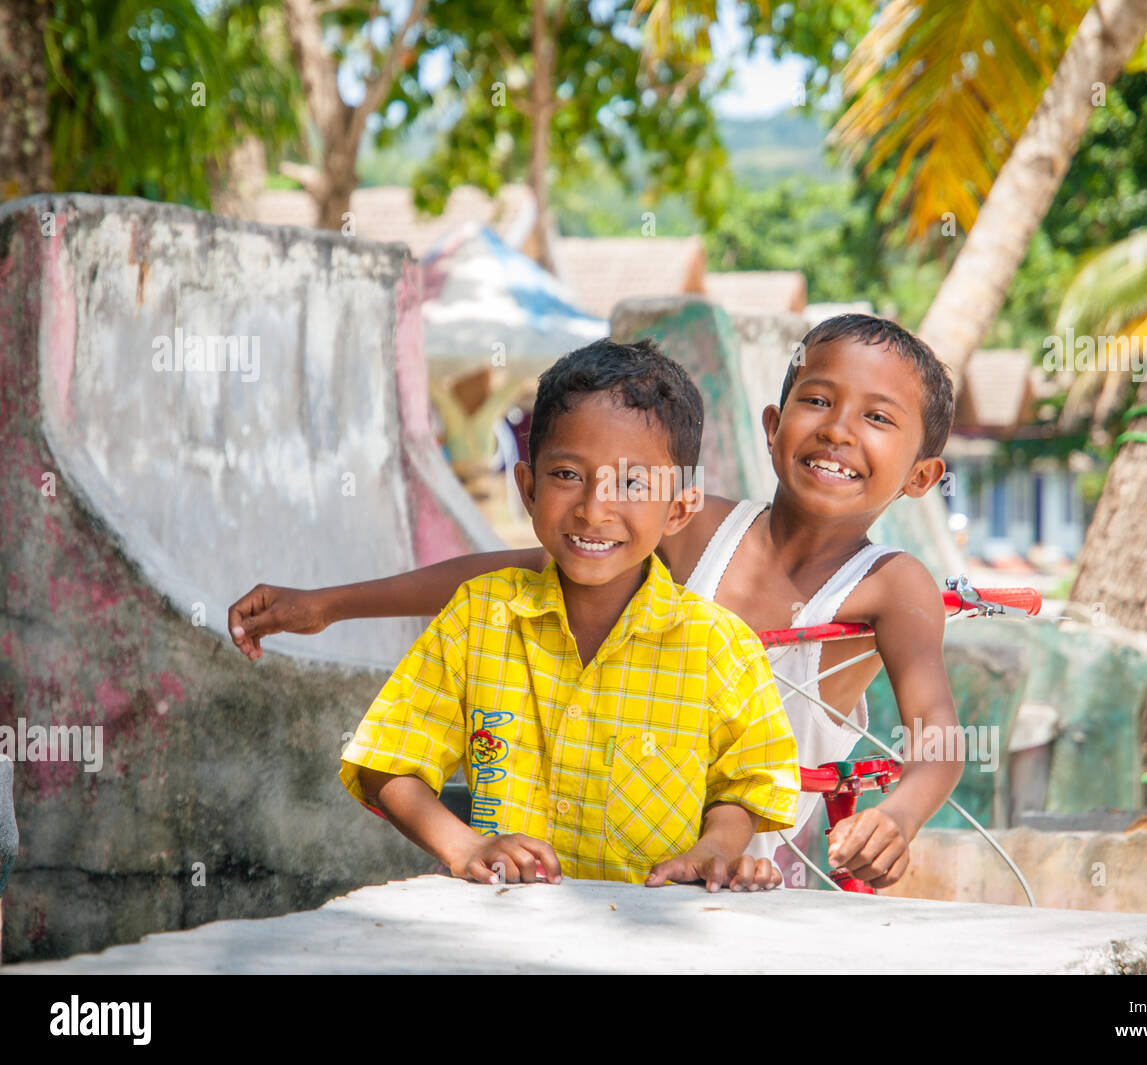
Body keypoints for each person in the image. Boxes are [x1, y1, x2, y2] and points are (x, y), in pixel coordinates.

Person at [232, 314, 962, 891]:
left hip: (744, 869)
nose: (837, 428)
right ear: (774, 428)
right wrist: (328, 604)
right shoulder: (695, 520)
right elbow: (519, 575)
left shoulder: (893, 584)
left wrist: (897, 815)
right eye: (818, 399)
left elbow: (938, 735)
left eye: (878, 417)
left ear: (923, 474)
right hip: (589, 851)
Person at [338, 339, 800, 891]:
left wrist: (714, 850)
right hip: (505, 928)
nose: (593, 508)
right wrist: (464, 846)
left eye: (631, 483)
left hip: (649, 933)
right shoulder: (480, 617)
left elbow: (744, 785)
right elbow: (386, 760)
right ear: (529, 489)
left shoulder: (720, 645)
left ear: (679, 508)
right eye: (567, 476)